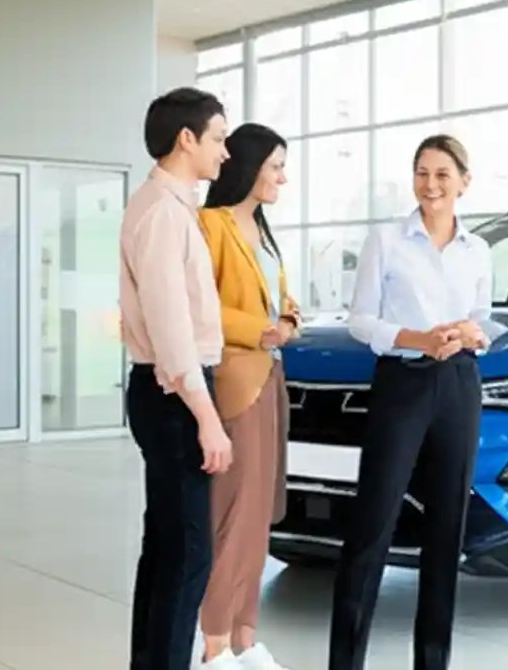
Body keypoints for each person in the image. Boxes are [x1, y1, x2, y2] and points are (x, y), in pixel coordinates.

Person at [328, 134, 492, 670]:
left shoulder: (478, 250)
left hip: (460, 384)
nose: (431, 184)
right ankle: (345, 662)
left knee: (448, 528)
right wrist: (418, 339)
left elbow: (485, 319)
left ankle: (432, 662)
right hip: (403, 383)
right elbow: (360, 320)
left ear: (464, 182)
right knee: (372, 523)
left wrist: (471, 332)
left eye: (443, 174)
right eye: (422, 172)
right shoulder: (388, 239)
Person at [120, 87, 234, 670]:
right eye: (217, 137)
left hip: (163, 391)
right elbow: (171, 329)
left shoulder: (162, 206)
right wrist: (208, 420)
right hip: (175, 396)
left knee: (165, 547)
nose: (225, 152)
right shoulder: (164, 213)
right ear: (185, 139)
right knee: (188, 552)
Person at [194, 123, 301, 670]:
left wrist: (287, 318)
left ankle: (244, 637)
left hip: (272, 379)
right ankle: (214, 643)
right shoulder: (210, 224)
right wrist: (259, 330)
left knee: (261, 515)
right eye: (276, 165)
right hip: (238, 382)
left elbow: (283, 299)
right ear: (252, 165)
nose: (283, 176)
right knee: (234, 515)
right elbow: (201, 305)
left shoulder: (262, 230)